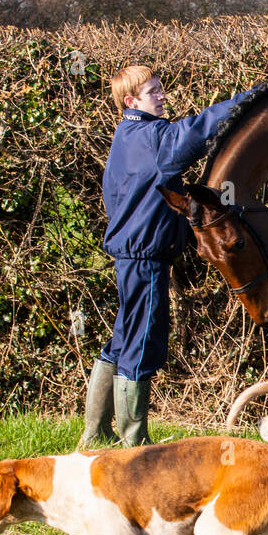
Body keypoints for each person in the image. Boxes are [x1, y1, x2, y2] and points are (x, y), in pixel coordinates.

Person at [79, 66, 246, 447]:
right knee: (142, 344)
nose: (162, 95)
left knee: (123, 338)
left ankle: (95, 434)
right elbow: (200, 129)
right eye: (153, 91)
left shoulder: (125, 136)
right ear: (130, 101)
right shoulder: (154, 139)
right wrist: (250, 99)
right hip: (146, 258)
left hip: (129, 256)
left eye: (160, 88)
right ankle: (134, 444)